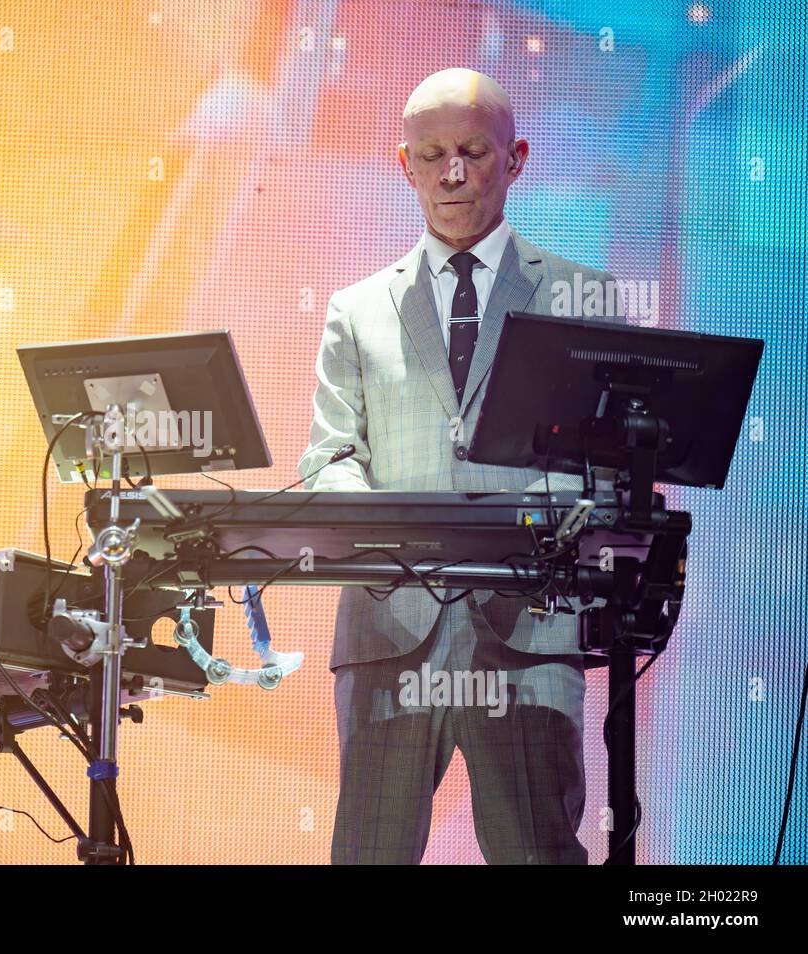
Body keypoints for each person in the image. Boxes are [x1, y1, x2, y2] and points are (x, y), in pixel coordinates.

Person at [299, 68, 623, 864]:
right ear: (401, 163)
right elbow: (329, 457)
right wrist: (386, 533)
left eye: (474, 152)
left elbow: (607, 476)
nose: (452, 173)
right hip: (389, 624)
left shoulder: (583, 297)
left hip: (530, 629)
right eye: (432, 153)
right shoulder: (357, 309)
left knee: (538, 853)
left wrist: (531, 533)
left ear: (515, 158)